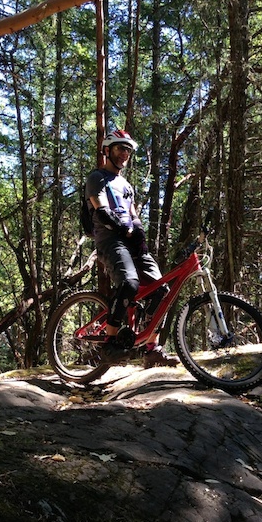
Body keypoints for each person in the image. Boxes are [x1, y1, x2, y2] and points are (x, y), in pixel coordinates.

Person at [85, 130, 180, 368]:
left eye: (127, 150)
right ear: (107, 151)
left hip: (130, 241)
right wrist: (126, 231)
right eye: (119, 149)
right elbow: (101, 210)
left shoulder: (126, 185)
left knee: (161, 290)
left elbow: (133, 214)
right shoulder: (97, 177)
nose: (124, 154)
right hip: (110, 241)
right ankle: (110, 341)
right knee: (129, 283)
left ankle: (151, 347)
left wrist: (139, 237)